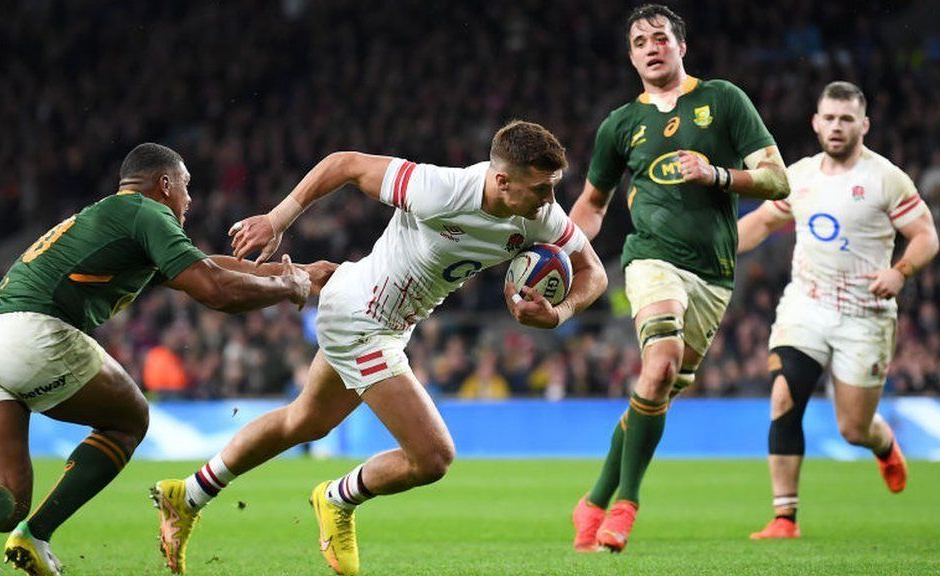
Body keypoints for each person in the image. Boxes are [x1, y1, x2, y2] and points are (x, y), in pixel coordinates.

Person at [152, 120, 608, 575]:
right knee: (433, 457)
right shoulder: (441, 189)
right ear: (502, 181)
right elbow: (345, 164)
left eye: (552, 189)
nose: (550, 201)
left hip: (380, 314)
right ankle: (337, 498)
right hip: (361, 321)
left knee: (303, 421)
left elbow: (594, 273)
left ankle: (187, 495)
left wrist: (558, 313)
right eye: (540, 190)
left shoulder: (539, 215)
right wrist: (277, 218)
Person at [0, 143, 332, 576]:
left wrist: (290, 274)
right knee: (129, 419)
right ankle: (35, 537)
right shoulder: (148, 214)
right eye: (186, 187)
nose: (189, 199)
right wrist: (287, 290)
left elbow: (207, 267)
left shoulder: (116, 219)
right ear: (164, 185)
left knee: (7, 495)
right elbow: (216, 291)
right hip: (30, 333)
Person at [568, 3, 791, 553]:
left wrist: (717, 174)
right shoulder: (619, 125)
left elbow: (778, 179)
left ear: (681, 45)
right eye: (640, 40)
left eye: (661, 37)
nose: (651, 46)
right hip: (649, 258)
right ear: (630, 55)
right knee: (659, 362)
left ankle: (592, 501)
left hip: (713, 273)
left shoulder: (723, 99)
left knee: (657, 387)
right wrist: (563, 253)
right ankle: (626, 504)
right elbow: (593, 205)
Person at [738, 81, 938, 540]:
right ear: (815, 122)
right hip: (805, 305)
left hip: (864, 315)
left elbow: (927, 235)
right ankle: (784, 518)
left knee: (852, 427)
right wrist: (720, 250)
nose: (836, 126)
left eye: (846, 119)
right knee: (784, 397)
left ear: (863, 125)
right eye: (829, 117)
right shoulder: (801, 175)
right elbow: (765, 221)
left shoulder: (887, 179)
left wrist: (901, 272)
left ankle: (882, 442)